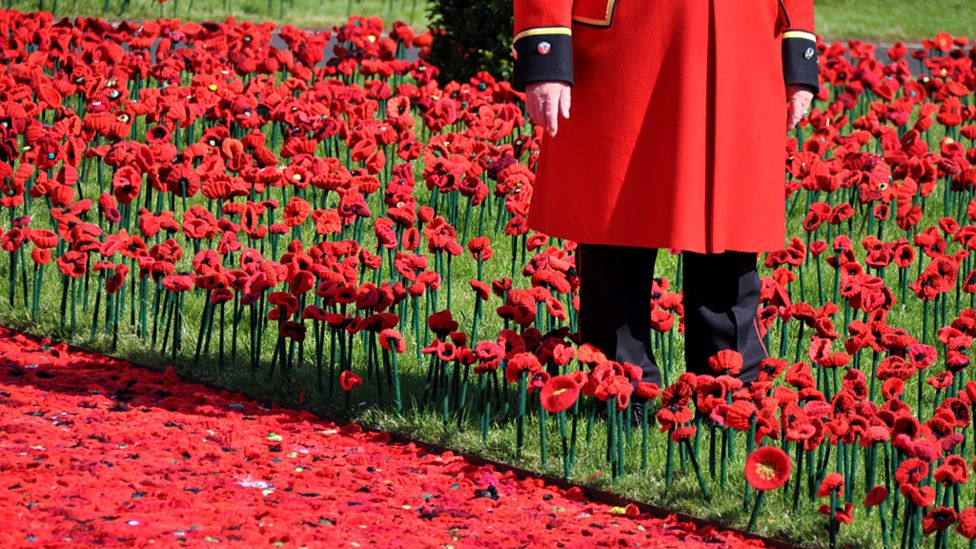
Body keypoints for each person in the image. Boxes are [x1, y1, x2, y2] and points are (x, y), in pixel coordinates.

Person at [510, 0, 820, 385]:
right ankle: (621, 391)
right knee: (617, 219)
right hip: (627, 39)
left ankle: (727, 392)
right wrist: (545, 41)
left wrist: (797, 41)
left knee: (729, 226)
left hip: (742, 37)